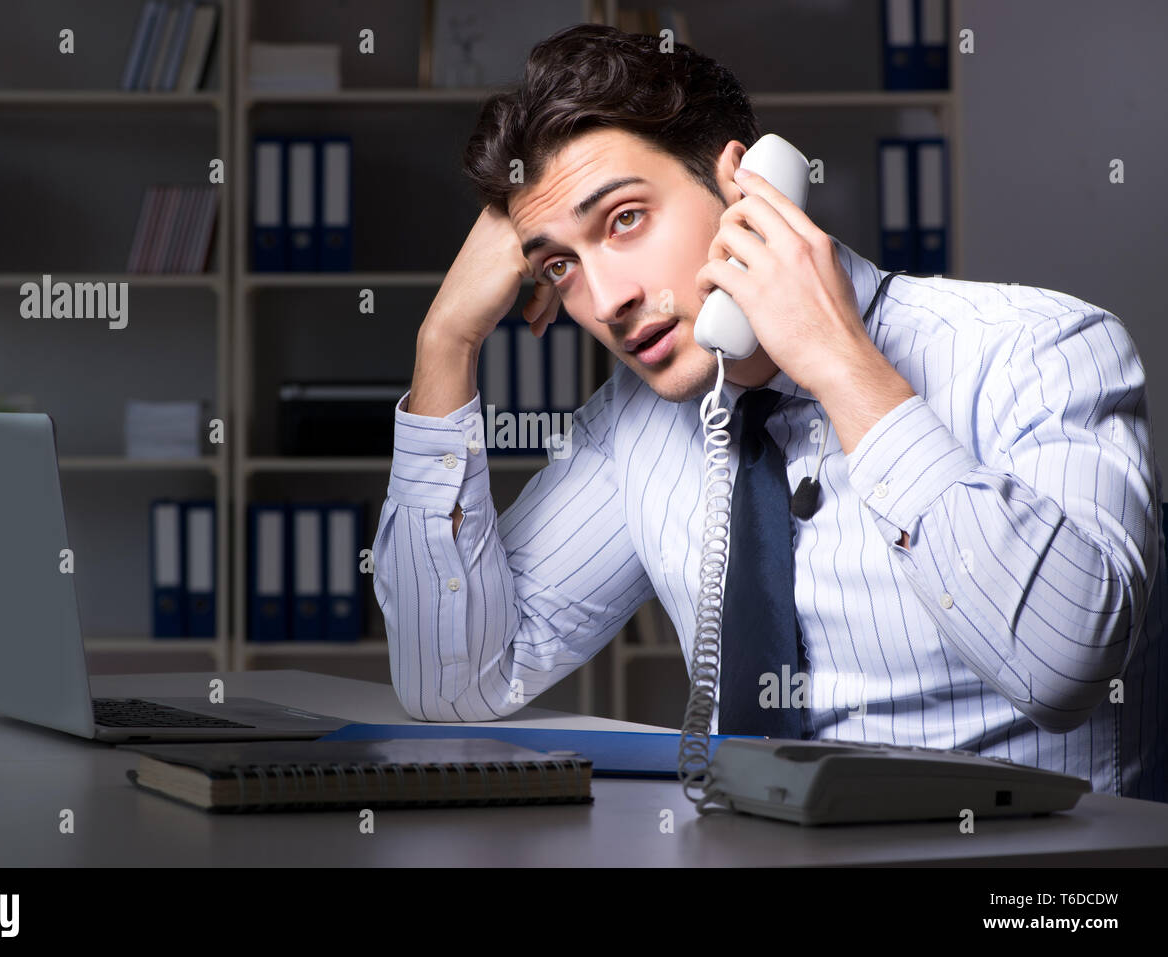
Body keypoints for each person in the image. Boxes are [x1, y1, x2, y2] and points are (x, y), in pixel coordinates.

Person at [371, 24, 1165, 800]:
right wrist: (445, 340)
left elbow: (1067, 666)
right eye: (560, 264)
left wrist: (837, 361)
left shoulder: (1043, 347)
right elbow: (456, 683)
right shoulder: (633, 427)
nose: (606, 300)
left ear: (747, 185)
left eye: (625, 220)